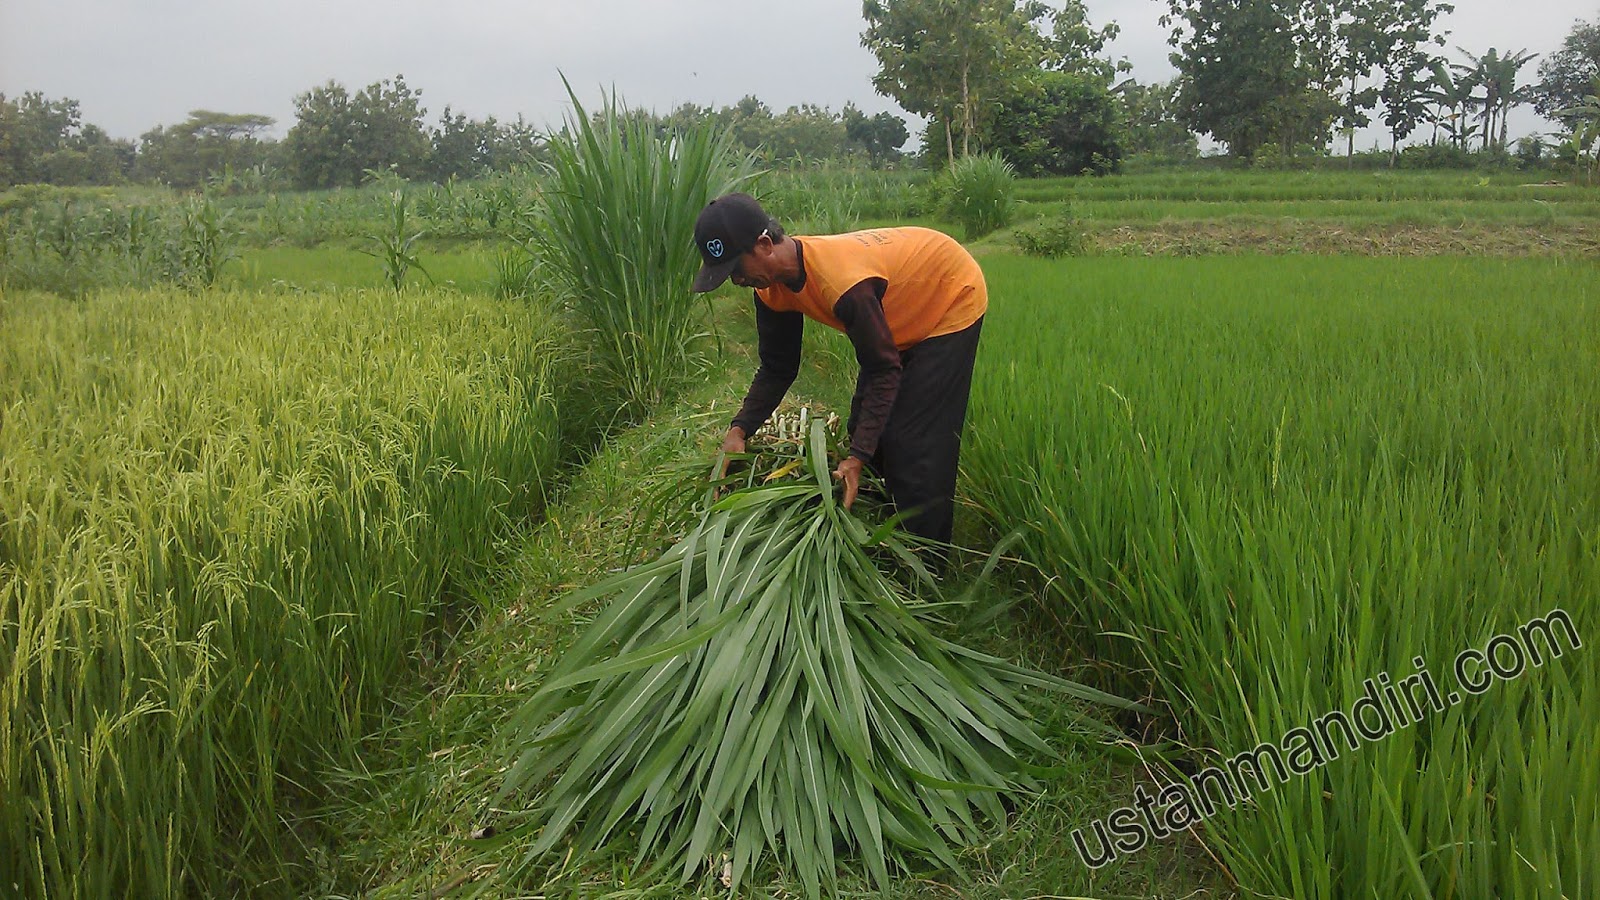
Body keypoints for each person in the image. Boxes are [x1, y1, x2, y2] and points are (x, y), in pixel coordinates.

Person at [690, 192, 987, 544]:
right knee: (864, 425)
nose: (737, 281)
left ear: (765, 244)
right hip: (897, 310)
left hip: (948, 293)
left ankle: (926, 559)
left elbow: (883, 370)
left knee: (913, 442)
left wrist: (857, 457)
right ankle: (881, 527)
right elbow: (778, 367)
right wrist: (740, 430)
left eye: (737, 269)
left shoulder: (843, 283)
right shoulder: (770, 290)